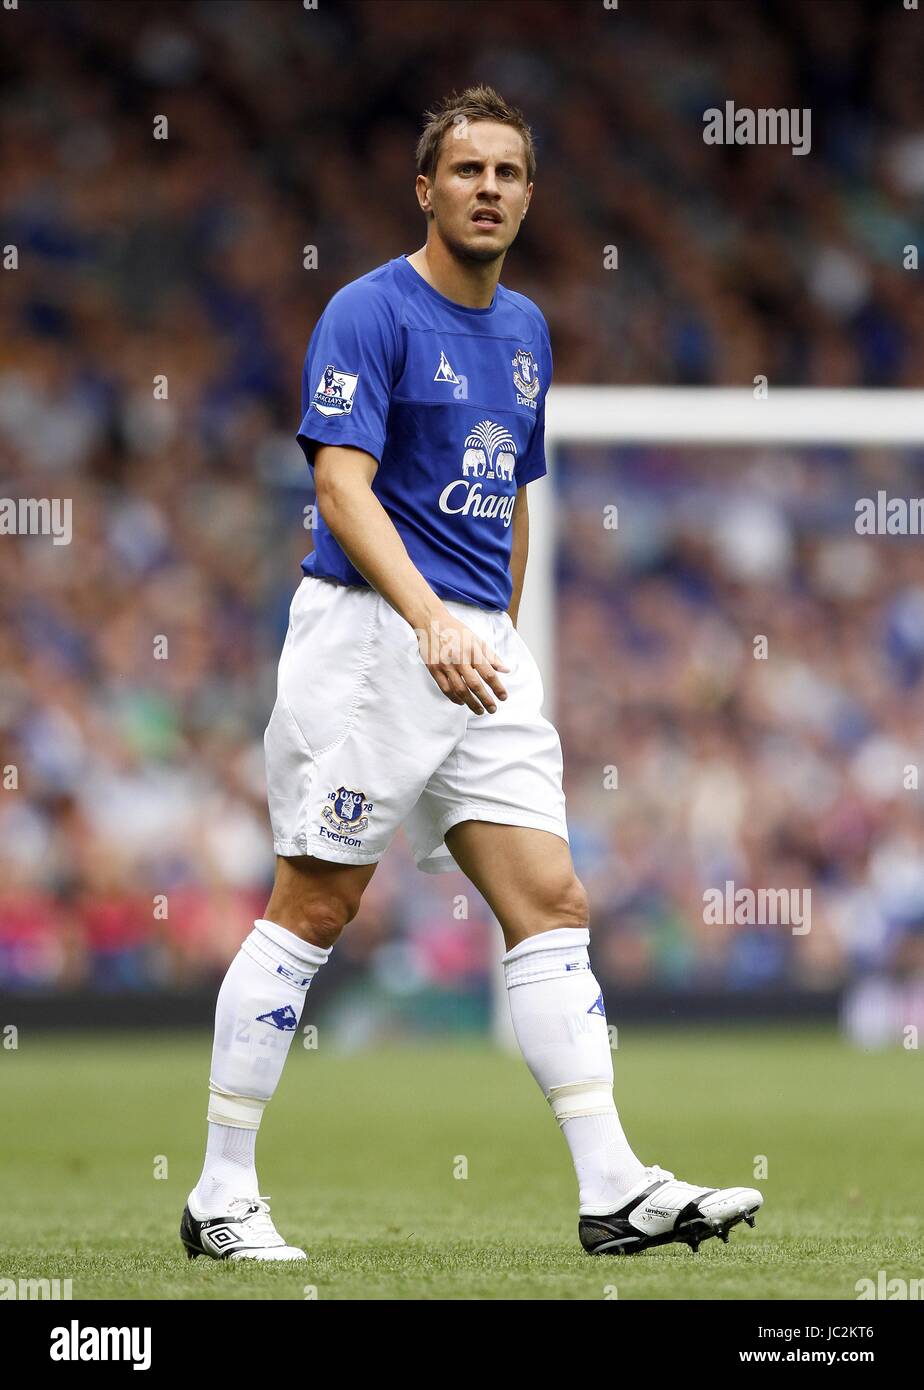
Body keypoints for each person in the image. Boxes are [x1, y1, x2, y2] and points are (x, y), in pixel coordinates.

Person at [180, 85, 762, 1263]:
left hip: (479, 649)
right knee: (317, 904)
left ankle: (611, 1187)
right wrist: (432, 618)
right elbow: (341, 484)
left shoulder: (531, 331)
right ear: (425, 189)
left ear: (531, 195)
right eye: (467, 170)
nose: (488, 188)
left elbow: (513, 500)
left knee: (550, 900)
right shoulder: (367, 310)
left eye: (508, 173)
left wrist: (497, 623)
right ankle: (219, 1192)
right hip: (369, 640)